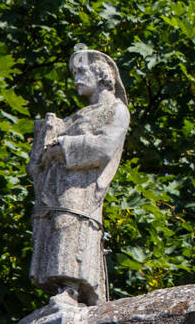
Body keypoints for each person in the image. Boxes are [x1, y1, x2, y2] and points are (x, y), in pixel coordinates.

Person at [29, 47, 129, 306]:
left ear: (102, 75)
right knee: (55, 224)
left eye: (82, 71)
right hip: (58, 187)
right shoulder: (75, 117)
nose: (76, 78)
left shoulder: (113, 110)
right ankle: (60, 288)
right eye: (73, 73)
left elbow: (105, 146)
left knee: (70, 224)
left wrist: (64, 147)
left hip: (81, 189)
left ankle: (70, 288)